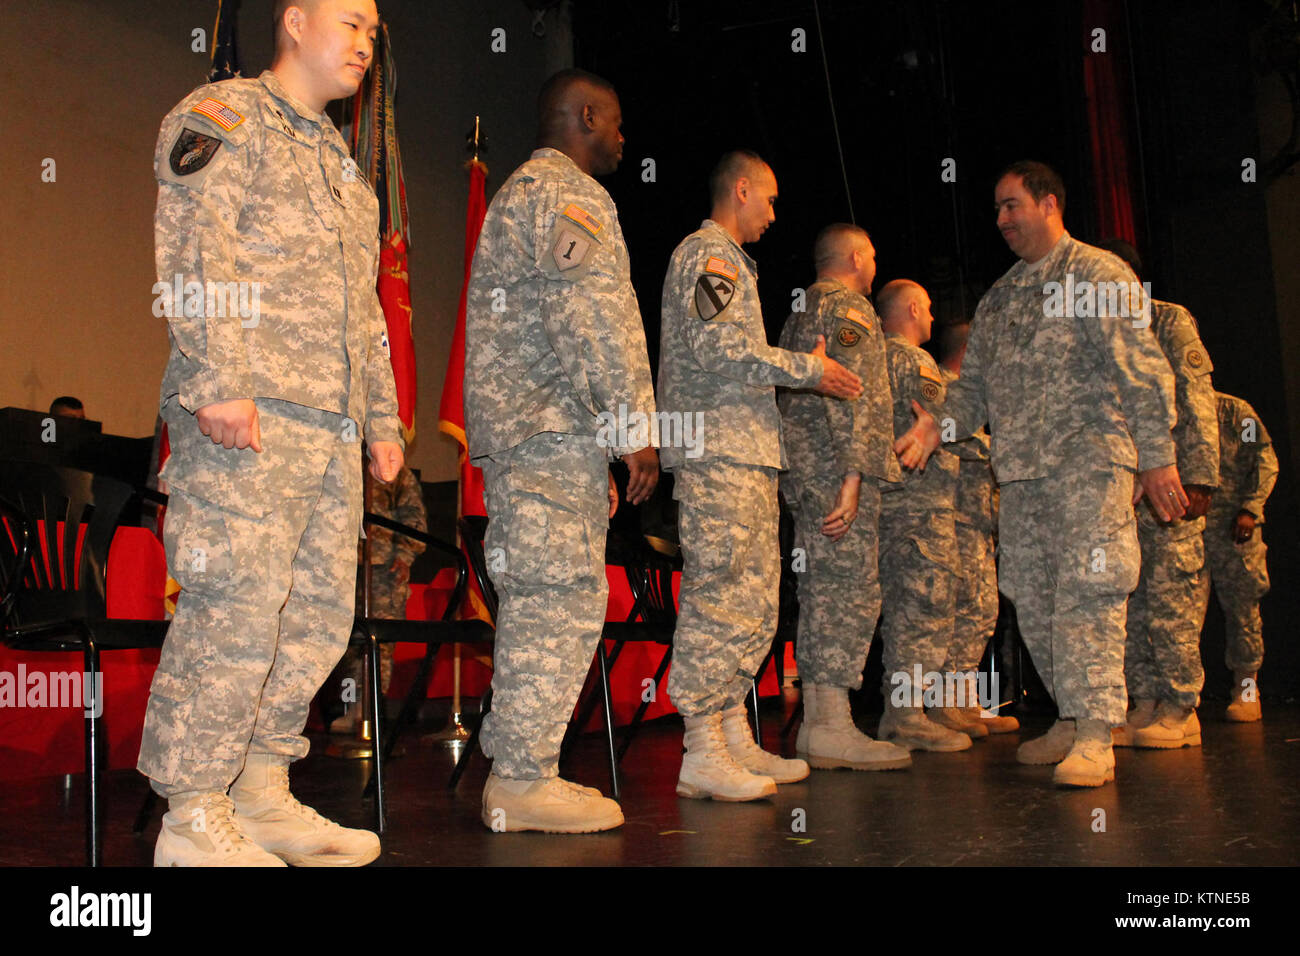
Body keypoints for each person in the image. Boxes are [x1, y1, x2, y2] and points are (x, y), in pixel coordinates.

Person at [139, 0, 402, 865]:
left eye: (374, 30)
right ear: (295, 21)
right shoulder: (224, 118)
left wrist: (384, 422)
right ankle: (191, 814)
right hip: (247, 417)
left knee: (317, 617)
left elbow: (364, 312)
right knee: (236, 612)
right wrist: (217, 380)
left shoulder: (345, 174)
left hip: (327, 432)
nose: (366, 41)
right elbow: (193, 248)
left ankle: (258, 791)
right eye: (351, 21)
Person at [895, 160, 1184, 788]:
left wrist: (1158, 457)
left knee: (1089, 595)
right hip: (1021, 478)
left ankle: (1096, 734)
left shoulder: (1097, 274)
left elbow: (1142, 368)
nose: (1000, 219)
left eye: (1011, 205)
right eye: (995, 209)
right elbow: (972, 393)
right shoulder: (999, 300)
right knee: (1033, 600)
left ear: (1050, 203)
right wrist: (934, 427)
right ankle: (1070, 716)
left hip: (1089, 465)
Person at [465, 69, 659, 833]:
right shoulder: (568, 195)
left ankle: (526, 769)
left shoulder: (523, 194)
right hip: (545, 432)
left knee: (554, 595)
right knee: (556, 599)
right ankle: (518, 778)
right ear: (585, 115)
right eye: (614, 123)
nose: (622, 139)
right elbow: (593, 317)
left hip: (544, 435)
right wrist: (632, 429)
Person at [658, 150, 864, 801]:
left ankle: (733, 736)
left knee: (751, 605)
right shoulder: (708, 255)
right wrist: (807, 369)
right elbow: (716, 347)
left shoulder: (732, 263)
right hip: (717, 455)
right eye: (768, 199)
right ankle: (702, 749)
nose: (774, 214)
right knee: (719, 596)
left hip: (743, 457)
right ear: (740, 190)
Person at [776, 224, 911, 771]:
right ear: (856, 256)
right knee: (845, 590)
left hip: (813, 470)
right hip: (835, 470)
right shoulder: (848, 307)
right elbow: (850, 392)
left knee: (828, 588)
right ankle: (829, 723)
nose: (875, 264)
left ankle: (823, 722)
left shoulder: (801, 308)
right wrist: (854, 477)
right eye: (873, 255)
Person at [1096, 241, 1219, 749]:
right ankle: (1144, 698)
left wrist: (1200, 475)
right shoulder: (1096, 332)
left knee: (1173, 596)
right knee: (1133, 598)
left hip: (1169, 480)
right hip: (1120, 487)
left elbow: (1195, 396)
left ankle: (1180, 705)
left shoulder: (1167, 320)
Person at [875, 280, 970, 752]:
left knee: (902, 613)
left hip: (889, 506)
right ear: (913, 307)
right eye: (928, 307)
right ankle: (907, 716)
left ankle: (904, 712)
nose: (932, 317)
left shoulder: (874, 357)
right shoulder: (915, 361)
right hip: (922, 508)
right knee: (923, 611)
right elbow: (944, 423)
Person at [936, 322, 1019, 736]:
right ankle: (948, 703)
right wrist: (1005, 449)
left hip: (975, 520)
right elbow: (951, 437)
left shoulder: (970, 396)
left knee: (979, 610)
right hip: (957, 519)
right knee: (965, 608)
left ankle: (964, 700)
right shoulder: (947, 389)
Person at [331, 463, 427, 734]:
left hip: (384, 567)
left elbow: (413, 515)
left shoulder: (393, 471)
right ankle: (351, 710)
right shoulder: (341, 461)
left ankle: (369, 710)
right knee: (347, 645)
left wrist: (405, 554)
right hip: (343, 566)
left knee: (379, 647)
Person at [1207, 391, 1278, 722]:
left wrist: (1251, 508)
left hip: (1233, 530)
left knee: (1243, 612)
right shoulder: (1166, 411)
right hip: (1183, 531)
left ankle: (1247, 690)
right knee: (1175, 617)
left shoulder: (1235, 413)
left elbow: (1263, 458)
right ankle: (1175, 701)